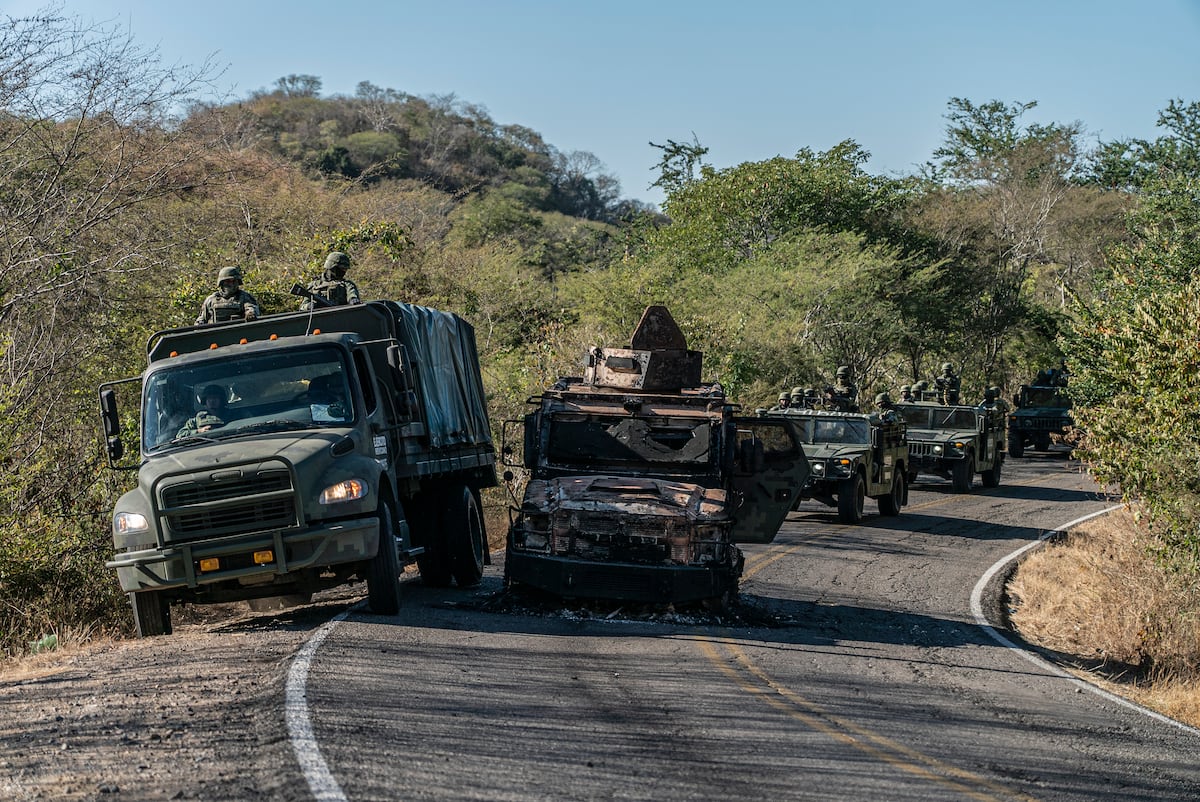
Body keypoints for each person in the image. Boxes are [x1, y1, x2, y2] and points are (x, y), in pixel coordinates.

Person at [195, 266, 260, 325]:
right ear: (222, 283)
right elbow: (201, 319)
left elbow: (251, 308)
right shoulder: (211, 300)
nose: (231, 284)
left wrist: (250, 314)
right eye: (228, 281)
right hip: (215, 334)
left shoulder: (244, 297)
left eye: (234, 281)